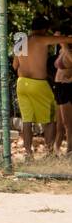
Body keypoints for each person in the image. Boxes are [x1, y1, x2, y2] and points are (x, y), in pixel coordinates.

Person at [13, 14, 69, 159]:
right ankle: (49, 152)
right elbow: (66, 40)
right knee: (49, 119)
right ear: (44, 29)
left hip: (22, 84)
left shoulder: (21, 40)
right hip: (39, 84)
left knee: (27, 120)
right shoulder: (42, 39)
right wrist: (59, 37)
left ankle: (28, 153)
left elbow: (15, 65)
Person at [54, 41, 72, 155]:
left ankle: (70, 150)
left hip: (66, 88)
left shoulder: (68, 51)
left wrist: (70, 79)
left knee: (67, 123)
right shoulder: (62, 50)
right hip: (59, 87)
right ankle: (56, 151)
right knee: (59, 124)